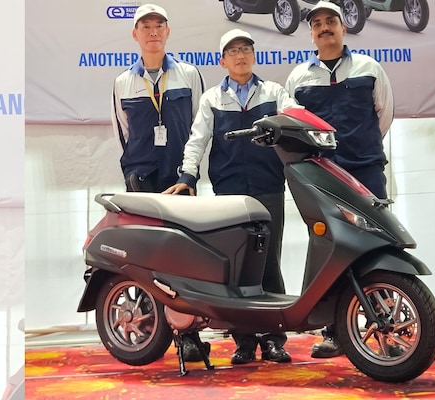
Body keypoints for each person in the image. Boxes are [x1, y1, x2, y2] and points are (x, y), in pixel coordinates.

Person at [164, 28, 299, 365]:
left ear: (254, 56)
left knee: (269, 264)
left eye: (246, 50)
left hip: (268, 188)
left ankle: (274, 340)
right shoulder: (212, 98)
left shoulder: (274, 93)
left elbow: (296, 120)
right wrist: (187, 175)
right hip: (229, 194)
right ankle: (244, 342)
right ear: (223, 61)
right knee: (238, 268)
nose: (241, 56)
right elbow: (197, 140)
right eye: (233, 51)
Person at [285, 1, 394, 358]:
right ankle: (334, 332)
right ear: (311, 34)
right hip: (323, 179)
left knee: (379, 246)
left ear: (344, 27)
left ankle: (389, 328)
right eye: (316, 23)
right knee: (331, 249)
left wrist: (360, 150)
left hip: (366, 173)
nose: (324, 27)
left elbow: (384, 115)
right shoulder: (298, 78)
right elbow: (294, 127)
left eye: (330, 20)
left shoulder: (369, 68)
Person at [111, 3, 206, 360]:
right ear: (135, 34)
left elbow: (198, 129)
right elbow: (122, 134)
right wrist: (133, 175)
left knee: (185, 259)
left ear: (167, 32)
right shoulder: (123, 82)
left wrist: (189, 174)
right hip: (143, 184)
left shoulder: (188, 74)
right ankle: (151, 329)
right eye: (145, 26)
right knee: (145, 260)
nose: (152, 32)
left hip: (179, 180)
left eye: (159, 25)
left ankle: (189, 335)